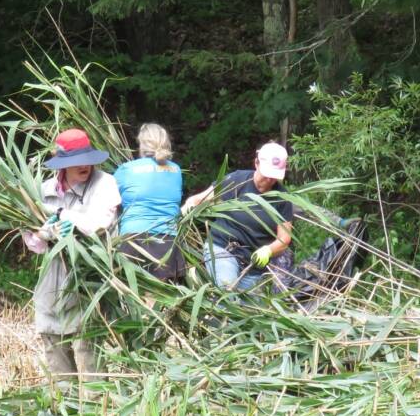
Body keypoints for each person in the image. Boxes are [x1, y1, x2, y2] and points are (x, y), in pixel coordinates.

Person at [22, 129, 121, 381]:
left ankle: (96, 412)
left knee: (88, 350)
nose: (84, 165)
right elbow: (33, 241)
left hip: (88, 281)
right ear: (62, 163)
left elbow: (100, 223)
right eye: (76, 161)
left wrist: (66, 217)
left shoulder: (105, 183)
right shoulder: (42, 190)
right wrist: (44, 234)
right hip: (52, 280)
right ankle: (63, 414)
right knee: (53, 346)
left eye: (87, 158)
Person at [182, 141, 294, 292]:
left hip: (253, 264)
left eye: (274, 177)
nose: (269, 181)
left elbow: (284, 238)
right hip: (223, 250)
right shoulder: (236, 180)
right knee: (227, 291)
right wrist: (186, 210)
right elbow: (199, 199)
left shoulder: (281, 198)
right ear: (256, 163)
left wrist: (268, 250)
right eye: (267, 175)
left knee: (249, 311)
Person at [113, 123, 185, 281]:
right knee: (164, 299)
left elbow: (111, 201)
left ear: (141, 145)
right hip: (168, 241)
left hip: (134, 239)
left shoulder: (126, 170)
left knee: (136, 299)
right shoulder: (176, 170)